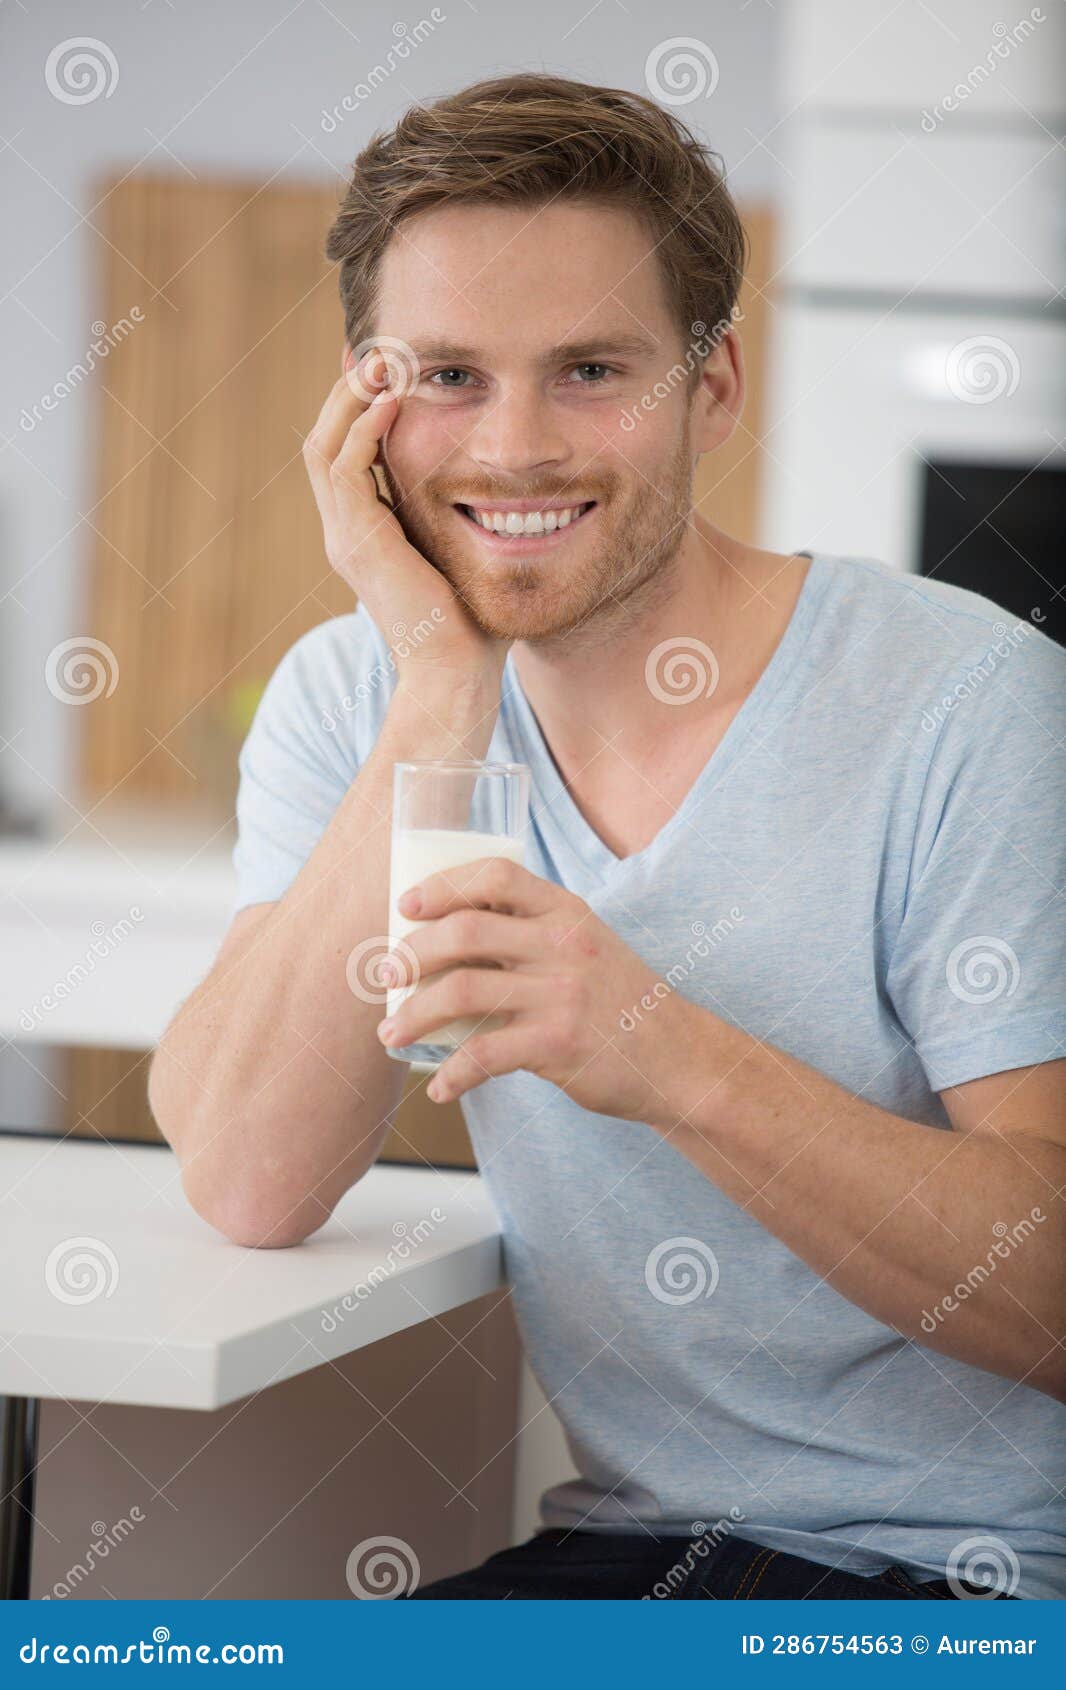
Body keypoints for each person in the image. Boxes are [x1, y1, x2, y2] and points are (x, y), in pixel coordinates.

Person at [148, 74, 1065, 1600]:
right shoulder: (358, 692)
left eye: (588, 369)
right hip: (626, 1564)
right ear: (360, 409)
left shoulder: (970, 704)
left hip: (972, 1588)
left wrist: (660, 1046)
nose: (512, 448)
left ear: (710, 389)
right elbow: (248, 1177)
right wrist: (440, 686)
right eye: (445, 374)